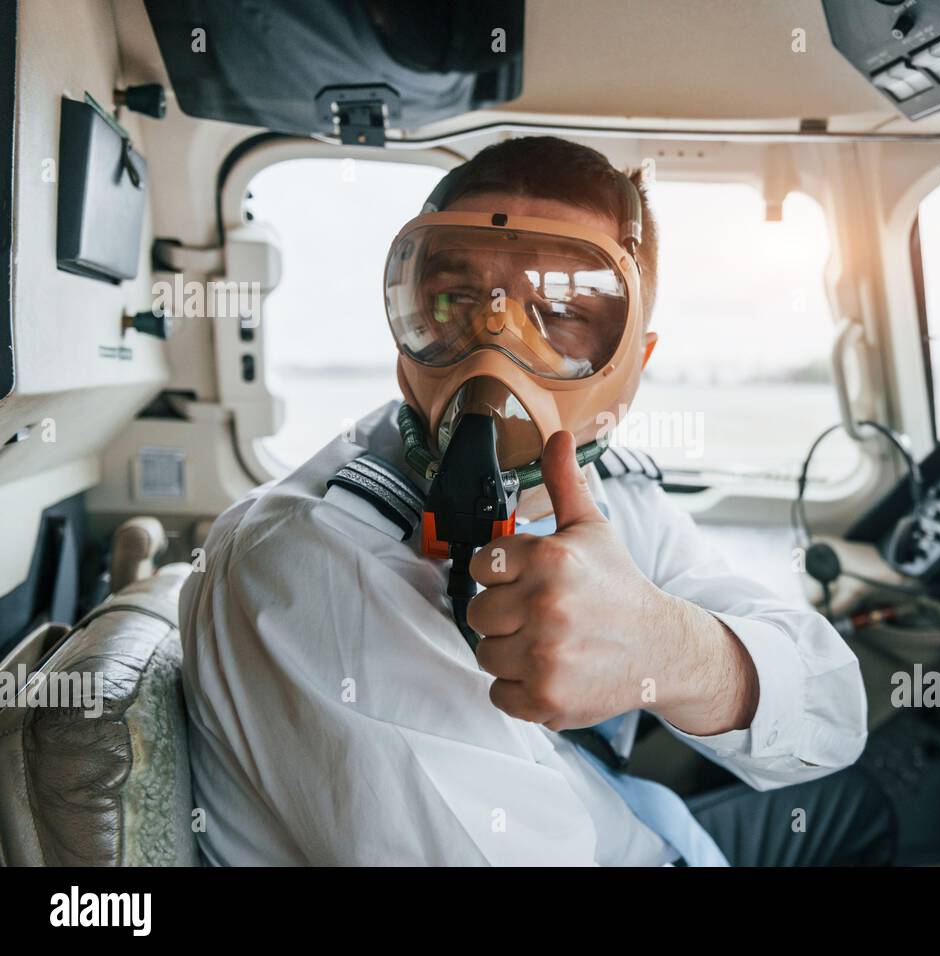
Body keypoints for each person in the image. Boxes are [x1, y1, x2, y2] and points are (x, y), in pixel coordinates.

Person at [180, 135, 895, 866]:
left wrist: (672, 649)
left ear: (630, 365)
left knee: (854, 806)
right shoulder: (322, 563)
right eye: (455, 299)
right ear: (407, 334)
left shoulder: (609, 494)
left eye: (558, 313)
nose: (494, 349)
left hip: (644, 822)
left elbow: (830, 721)